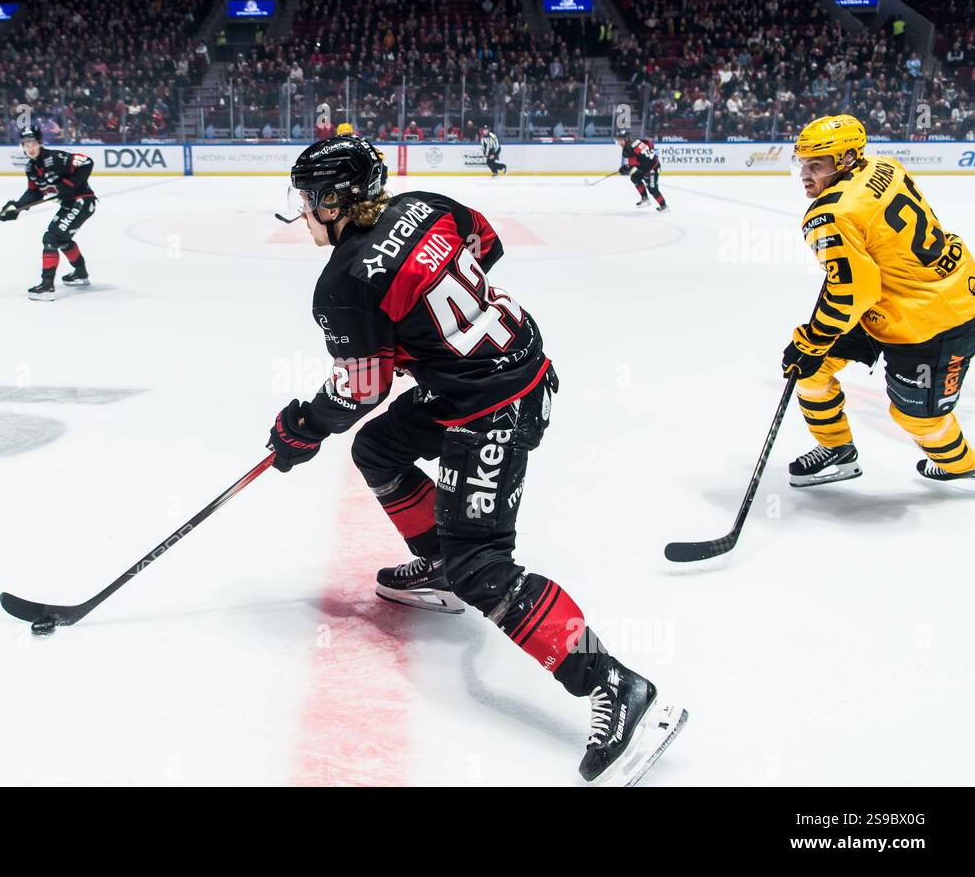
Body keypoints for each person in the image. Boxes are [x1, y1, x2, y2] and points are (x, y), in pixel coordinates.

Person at [265, 136, 687, 785]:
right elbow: (485, 244)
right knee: (379, 446)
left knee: (484, 566)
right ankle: (437, 563)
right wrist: (436, 335)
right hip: (503, 366)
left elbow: (363, 388)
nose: (302, 212)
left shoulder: (345, 281)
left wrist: (301, 427)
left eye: (305, 200)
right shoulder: (423, 204)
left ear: (329, 200)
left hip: (494, 404)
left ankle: (617, 684)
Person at [785, 114, 975, 484]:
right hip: (903, 299)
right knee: (812, 371)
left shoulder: (830, 215)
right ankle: (838, 450)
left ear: (847, 160)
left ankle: (961, 464)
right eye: (803, 164)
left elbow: (853, 292)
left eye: (817, 165)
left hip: (937, 319)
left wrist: (812, 341)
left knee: (917, 416)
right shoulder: (884, 165)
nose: (806, 175)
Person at [0, 126, 97, 301]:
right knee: (62, 240)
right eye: (25, 144)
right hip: (70, 204)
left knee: (51, 238)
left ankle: (46, 286)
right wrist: (17, 207)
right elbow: (34, 192)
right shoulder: (31, 167)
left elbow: (86, 162)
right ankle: (80, 274)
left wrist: (69, 185)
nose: (30, 148)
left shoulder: (56, 158)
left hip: (82, 201)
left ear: (40, 143)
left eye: (33, 143)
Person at [616, 129, 667, 211]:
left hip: (652, 168)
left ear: (626, 139)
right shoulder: (636, 141)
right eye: (618, 140)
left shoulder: (628, 149)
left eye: (621, 140)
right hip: (647, 166)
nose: (619, 143)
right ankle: (645, 198)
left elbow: (633, 166)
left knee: (652, 188)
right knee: (635, 177)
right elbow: (650, 143)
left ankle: (664, 206)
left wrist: (626, 169)